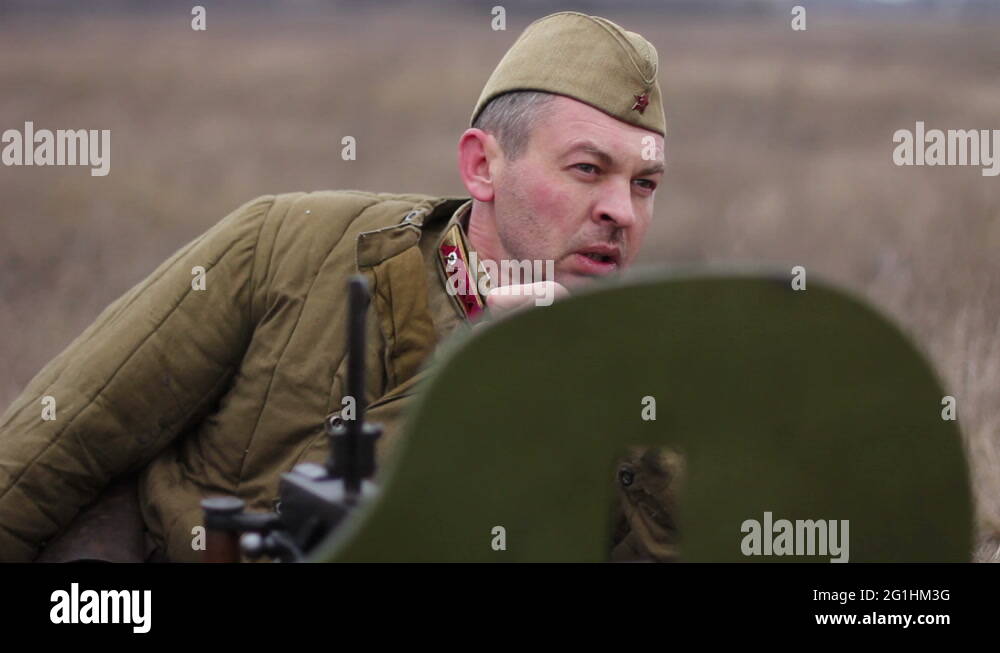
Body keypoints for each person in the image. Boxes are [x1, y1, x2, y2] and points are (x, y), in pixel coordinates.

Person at [0, 11, 679, 562]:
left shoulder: (654, 382)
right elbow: (51, 454)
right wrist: (468, 375)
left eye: (643, 184)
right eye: (589, 169)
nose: (622, 210)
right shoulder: (284, 246)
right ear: (481, 166)